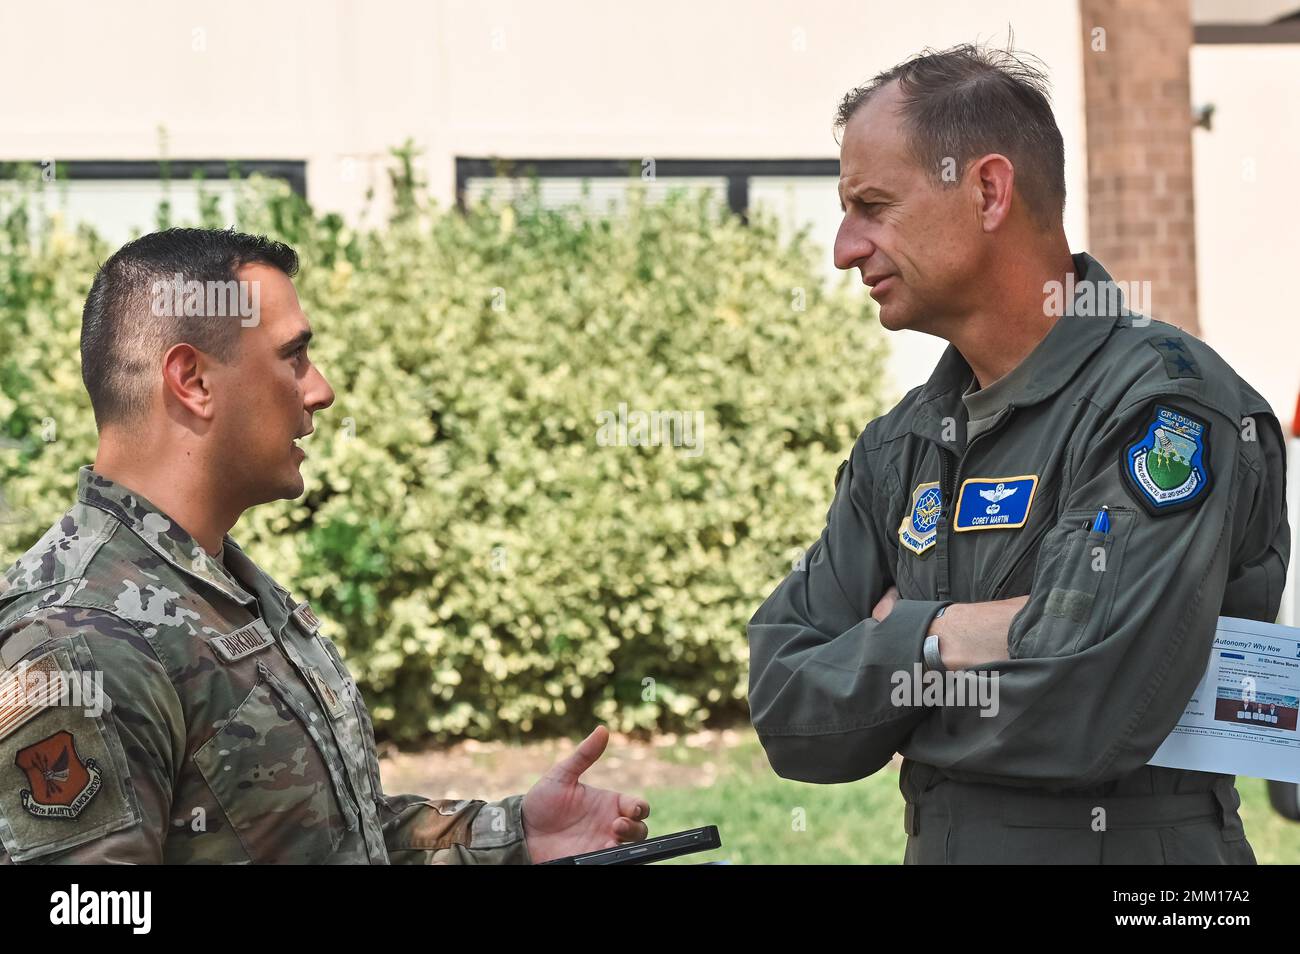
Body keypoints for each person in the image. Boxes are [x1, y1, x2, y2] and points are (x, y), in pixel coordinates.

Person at [747, 45, 1290, 864]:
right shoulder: (902, 444)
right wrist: (955, 636)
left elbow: (1085, 711)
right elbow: (788, 707)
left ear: (988, 191)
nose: (844, 248)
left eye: (872, 206)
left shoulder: (1166, 411)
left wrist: (893, 650)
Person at [0, 228, 650, 864]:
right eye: (294, 356)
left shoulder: (219, 590)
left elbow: (326, 837)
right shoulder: (79, 636)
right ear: (192, 381)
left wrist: (514, 835)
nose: (321, 390)